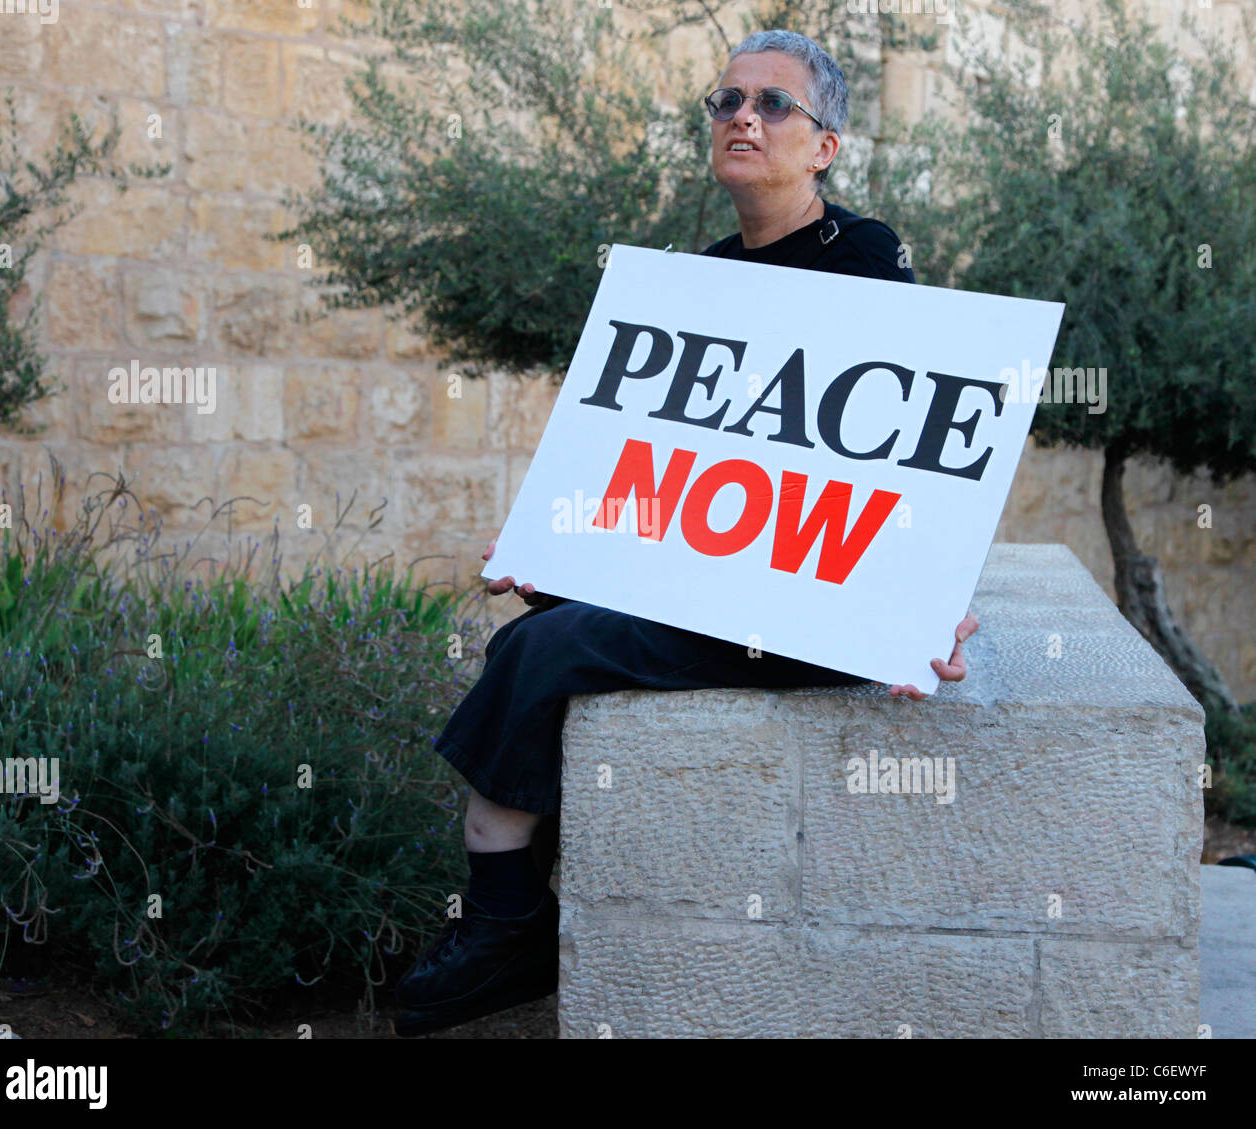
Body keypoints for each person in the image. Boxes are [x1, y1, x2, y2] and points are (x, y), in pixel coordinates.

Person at [392, 28, 981, 1038]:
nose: (741, 116)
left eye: (772, 104)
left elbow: (905, 464)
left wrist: (924, 606)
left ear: (824, 147)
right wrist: (560, 544)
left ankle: (504, 924)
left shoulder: (868, 263)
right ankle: (514, 907)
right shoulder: (703, 280)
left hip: (799, 606)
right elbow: (673, 479)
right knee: (541, 616)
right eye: (727, 101)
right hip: (724, 584)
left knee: (540, 648)